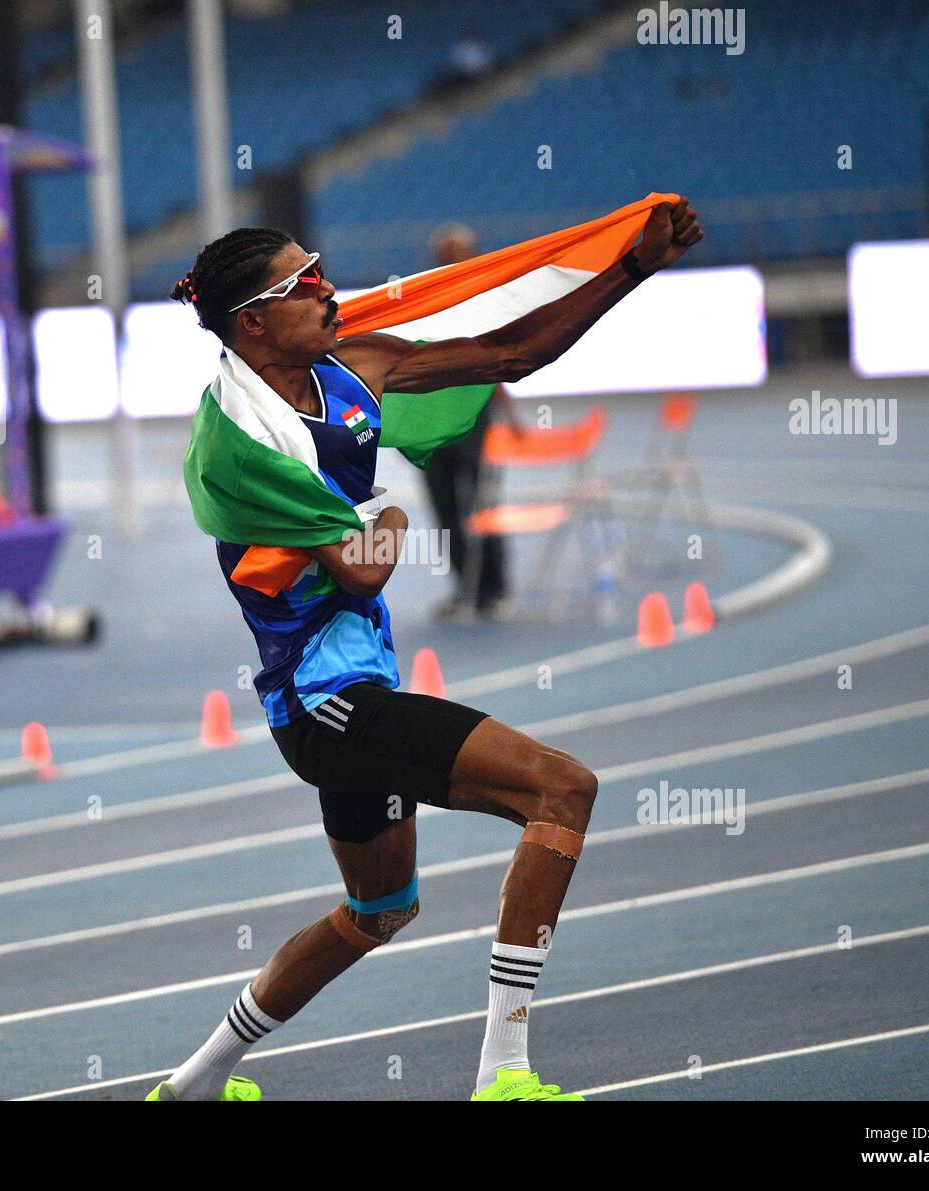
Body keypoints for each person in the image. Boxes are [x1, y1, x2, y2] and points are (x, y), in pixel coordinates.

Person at [155, 199, 703, 1102]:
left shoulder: (351, 365)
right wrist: (396, 514)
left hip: (351, 683)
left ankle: (186, 1089)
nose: (332, 292)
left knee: (381, 907)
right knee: (562, 787)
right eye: (307, 284)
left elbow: (510, 355)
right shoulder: (236, 442)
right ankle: (506, 1075)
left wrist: (628, 269)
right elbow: (363, 570)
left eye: (322, 269)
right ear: (252, 321)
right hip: (328, 701)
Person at [421, 223, 521, 621]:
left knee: (481, 504)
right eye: (447, 252)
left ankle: (494, 587)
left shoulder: (484, 303)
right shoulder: (422, 302)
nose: (453, 258)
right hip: (430, 425)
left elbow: (494, 364)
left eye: (460, 251)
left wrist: (509, 416)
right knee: (444, 509)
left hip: (473, 421)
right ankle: (465, 588)